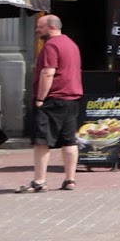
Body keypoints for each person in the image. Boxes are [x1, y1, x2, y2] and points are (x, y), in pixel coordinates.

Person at [20, 14, 83, 192]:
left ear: (51, 27)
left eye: (40, 26)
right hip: (72, 98)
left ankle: (39, 181)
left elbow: (48, 72)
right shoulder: (71, 44)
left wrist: (40, 98)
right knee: (69, 140)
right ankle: (70, 179)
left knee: (42, 141)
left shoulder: (51, 45)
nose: (37, 30)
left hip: (53, 98)